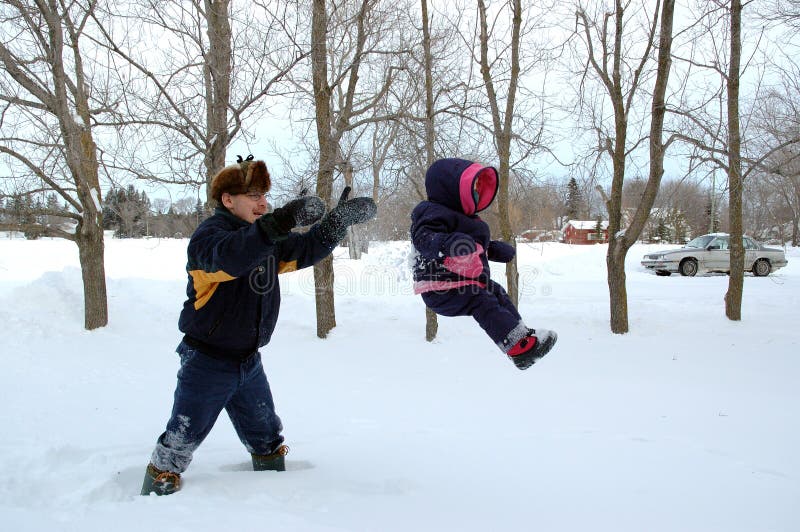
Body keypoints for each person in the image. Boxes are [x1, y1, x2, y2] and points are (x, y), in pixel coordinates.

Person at [141, 156, 376, 496]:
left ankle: (271, 487)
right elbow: (233, 257)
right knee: (181, 437)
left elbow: (304, 249)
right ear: (227, 200)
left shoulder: (264, 239)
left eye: (265, 196)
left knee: (266, 434)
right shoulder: (209, 238)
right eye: (254, 196)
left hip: (248, 363)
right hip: (206, 361)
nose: (263, 203)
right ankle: (155, 491)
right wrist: (278, 222)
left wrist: (336, 224)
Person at [410, 157, 557, 370]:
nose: (478, 192)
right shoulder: (431, 212)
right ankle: (517, 347)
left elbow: (473, 247)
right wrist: (447, 243)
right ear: (452, 189)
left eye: (479, 188)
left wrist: (493, 249)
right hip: (440, 287)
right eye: (474, 187)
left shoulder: (466, 220)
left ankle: (520, 336)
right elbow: (423, 239)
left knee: (496, 292)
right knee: (481, 300)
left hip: (464, 282)